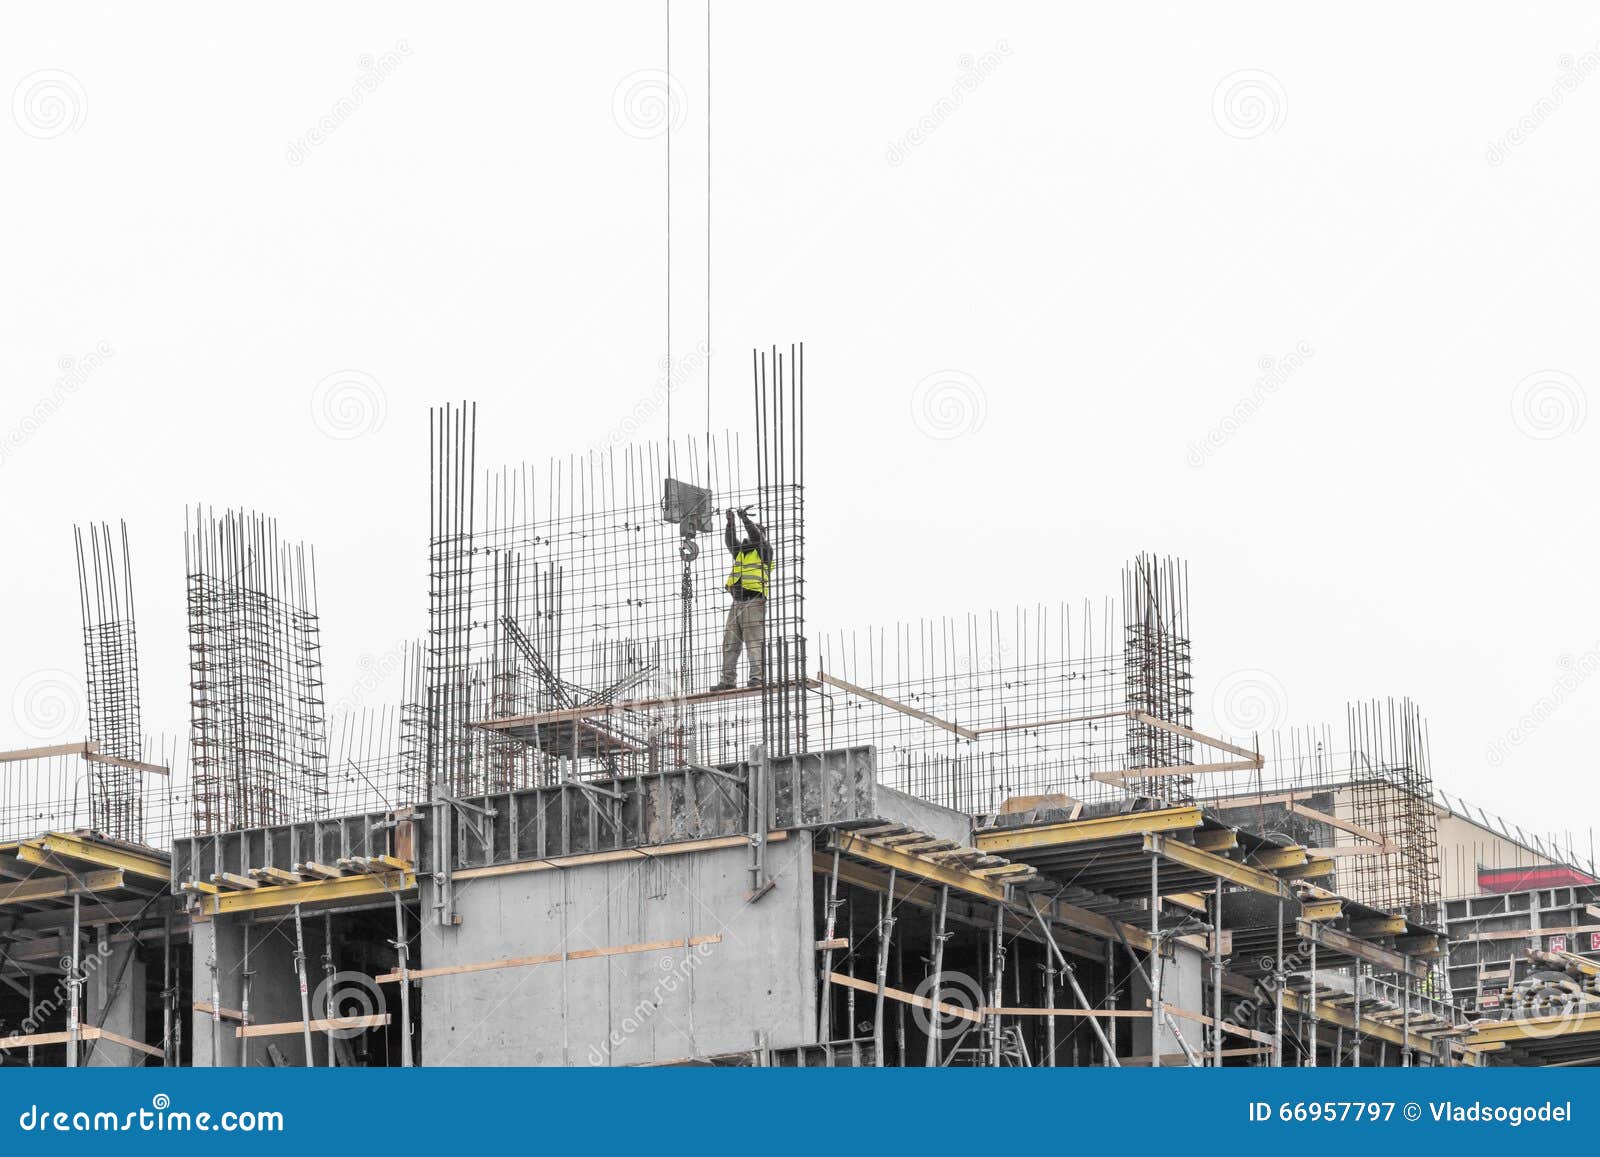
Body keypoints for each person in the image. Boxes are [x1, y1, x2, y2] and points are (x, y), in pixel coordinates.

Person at [713, 506, 771, 690]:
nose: (749, 537)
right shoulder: (741, 553)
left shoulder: (764, 551)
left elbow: (755, 537)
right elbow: (730, 541)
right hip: (737, 602)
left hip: (754, 601)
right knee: (730, 643)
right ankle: (728, 680)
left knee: (754, 641)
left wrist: (745, 520)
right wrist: (730, 524)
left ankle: (757, 678)